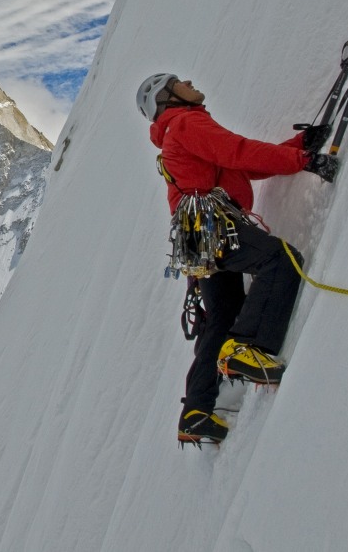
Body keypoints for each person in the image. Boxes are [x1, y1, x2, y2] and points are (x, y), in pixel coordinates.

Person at [136, 73, 337, 445]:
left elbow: (239, 165)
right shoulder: (187, 121)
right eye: (178, 81)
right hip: (213, 224)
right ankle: (250, 348)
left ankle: (196, 411)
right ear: (167, 98)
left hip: (196, 238)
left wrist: (296, 147)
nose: (189, 82)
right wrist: (306, 160)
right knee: (280, 260)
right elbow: (239, 151)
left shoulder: (176, 132)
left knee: (222, 316)